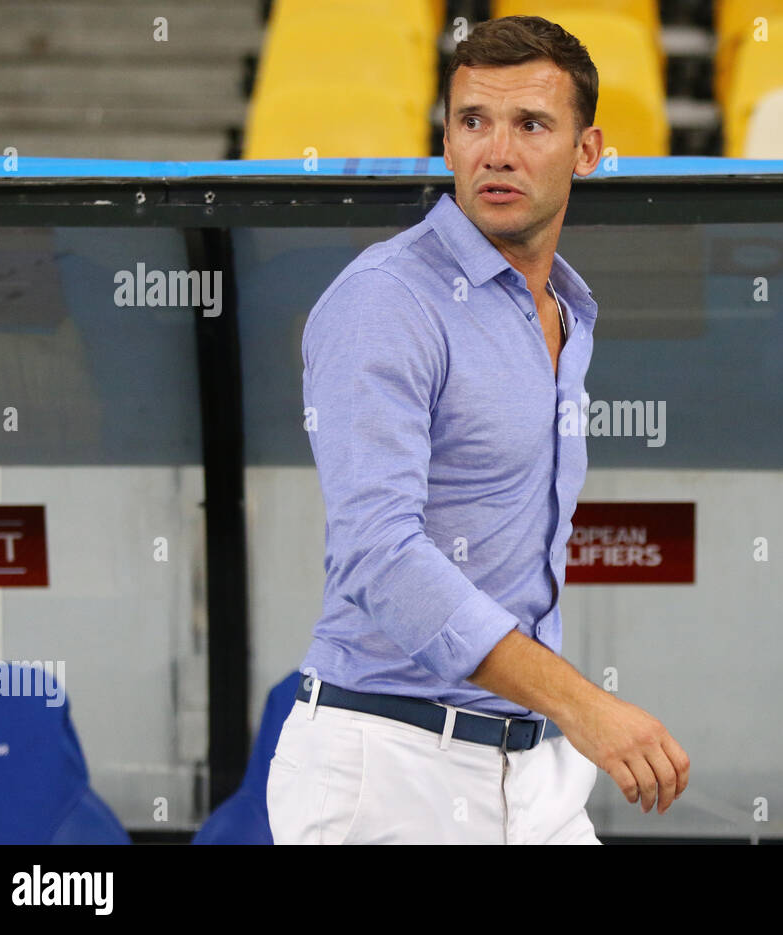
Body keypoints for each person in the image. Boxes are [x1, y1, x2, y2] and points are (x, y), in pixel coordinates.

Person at [267, 15, 689, 844]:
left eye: (531, 124)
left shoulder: (567, 306)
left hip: (530, 772)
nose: (497, 151)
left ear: (588, 150)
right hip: (386, 765)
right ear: (449, 141)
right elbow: (379, 555)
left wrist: (562, 722)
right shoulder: (386, 300)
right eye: (473, 122)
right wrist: (586, 706)